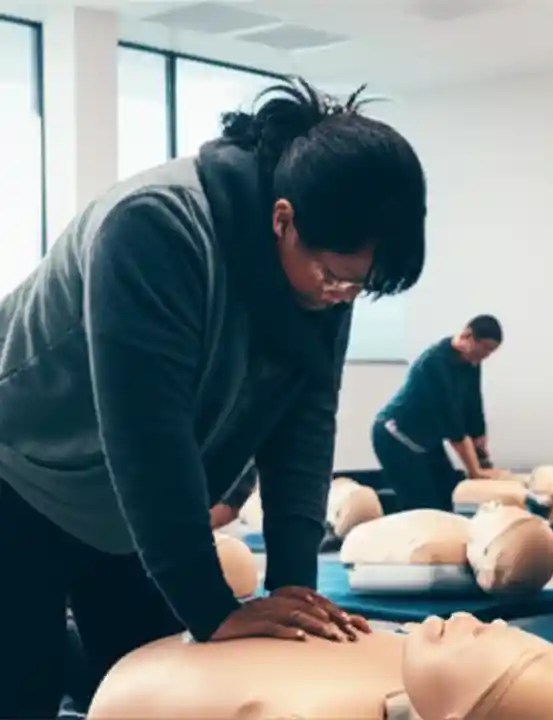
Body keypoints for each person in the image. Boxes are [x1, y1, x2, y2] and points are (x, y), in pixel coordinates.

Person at [0, 78, 426, 718]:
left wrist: (293, 590)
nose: (343, 295)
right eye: (337, 276)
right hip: (21, 478)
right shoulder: (154, 227)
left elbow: (304, 427)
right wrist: (212, 608)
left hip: (123, 508)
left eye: (358, 286)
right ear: (283, 219)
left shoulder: (321, 276)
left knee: (164, 690)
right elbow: (147, 433)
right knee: (20, 686)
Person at [373, 316, 505, 511]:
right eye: (484, 348)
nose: (486, 355)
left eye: (491, 351)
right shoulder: (433, 363)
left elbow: (473, 406)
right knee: (423, 505)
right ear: (467, 336)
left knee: (447, 494)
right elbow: (453, 425)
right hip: (395, 436)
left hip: (427, 439)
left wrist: (482, 453)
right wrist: (474, 470)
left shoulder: (471, 362)